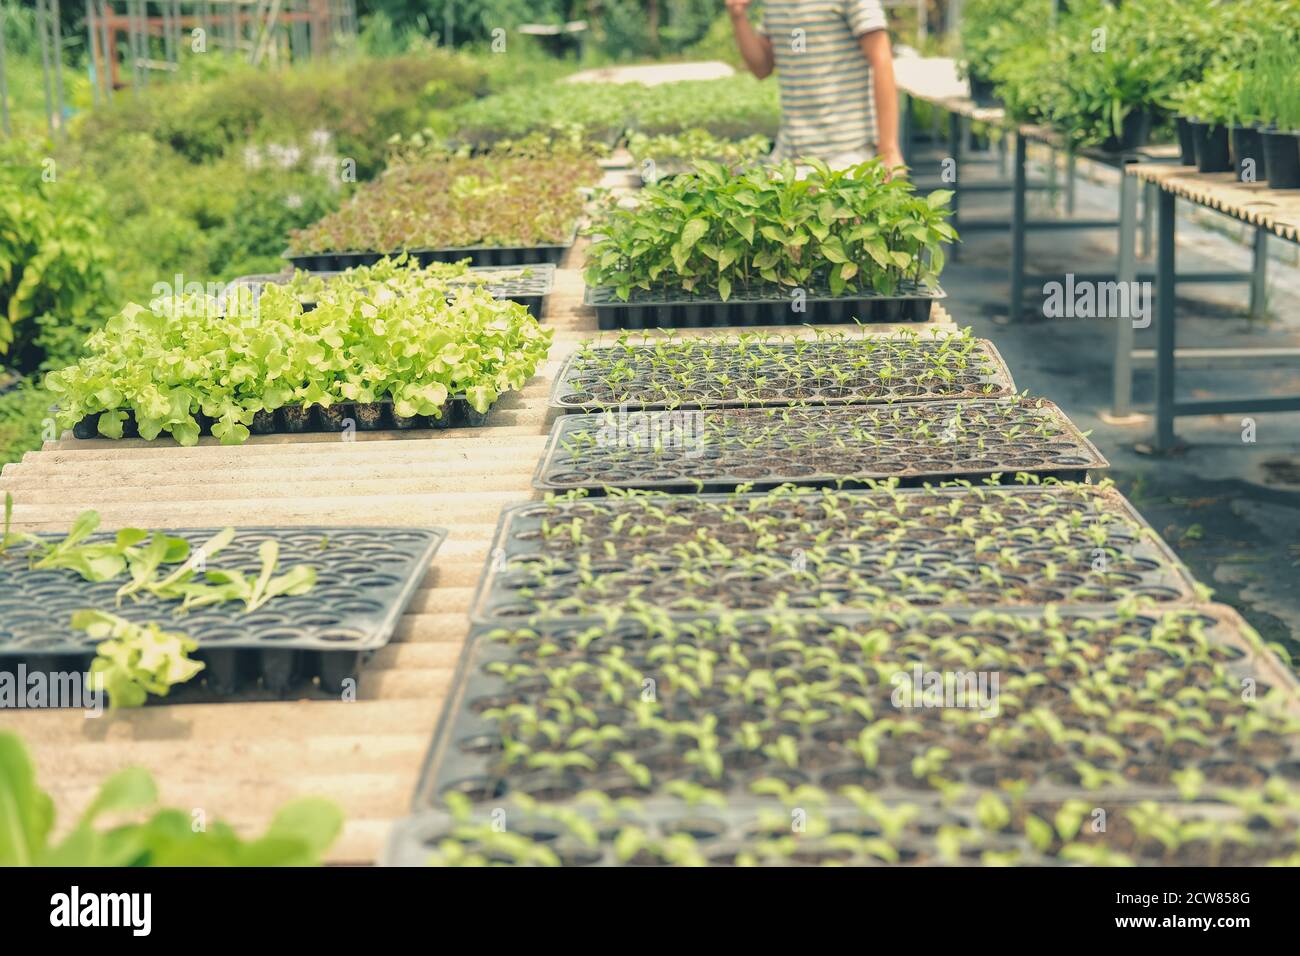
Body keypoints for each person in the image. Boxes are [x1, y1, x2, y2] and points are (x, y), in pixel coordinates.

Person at [727, 0, 904, 175]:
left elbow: (881, 59)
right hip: (789, 153)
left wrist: (888, 150)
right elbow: (762, 68)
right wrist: (738, 15)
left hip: (845, 153)